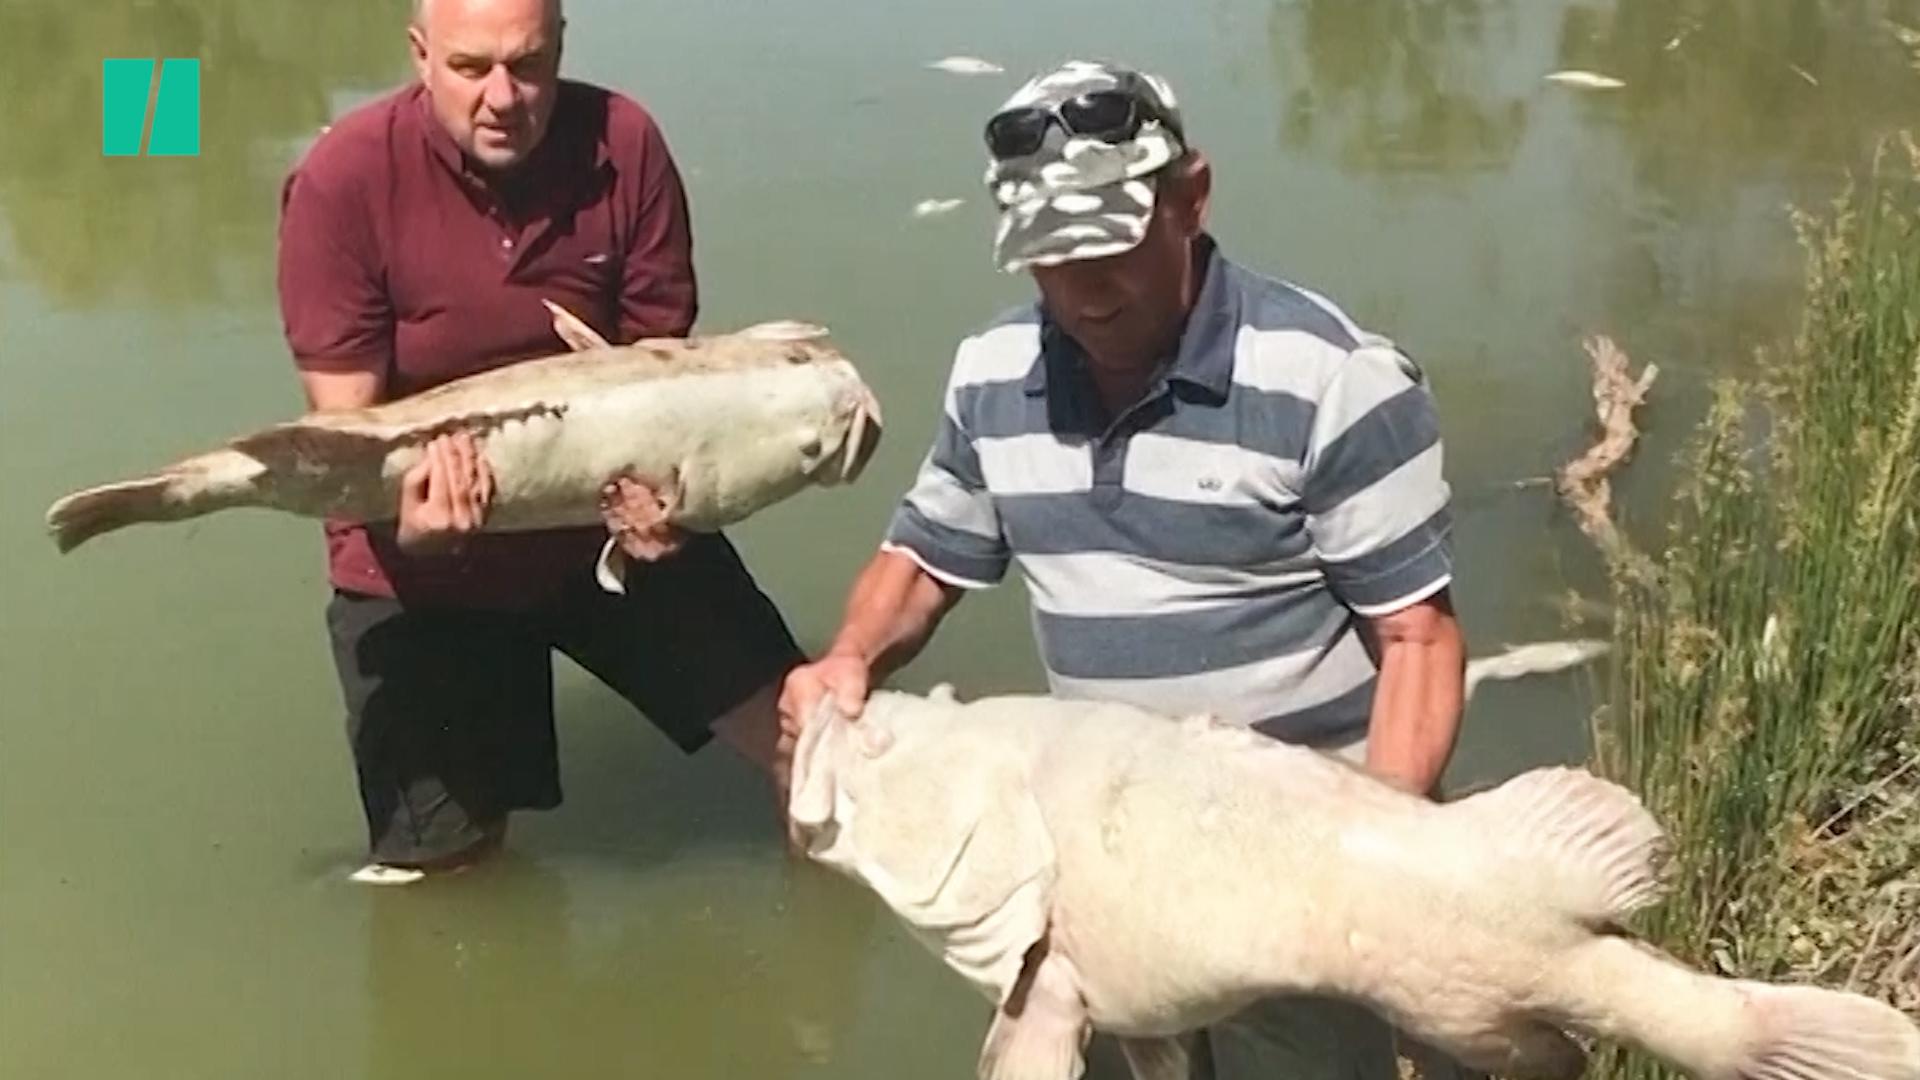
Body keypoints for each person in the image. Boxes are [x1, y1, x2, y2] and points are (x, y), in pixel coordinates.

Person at [777, 60, 1469, 1079]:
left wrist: (1368, 867)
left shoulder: (1333, 380)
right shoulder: (992, 378)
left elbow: (1419, 639)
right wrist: (848, 660)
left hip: (1303, 861)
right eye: (1049, 260)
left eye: (1110, 247)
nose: (1083, 292)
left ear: (1190, 198)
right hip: (1101, 867)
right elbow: (926, 559)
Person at [276, 0, 802, 880]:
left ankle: (824, 989)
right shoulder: (343, 179)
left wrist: (668, 503)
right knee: (446, 881)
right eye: (471, 67)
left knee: (820, 753)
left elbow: (662, 382)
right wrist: (414, 527)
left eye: (527, 65)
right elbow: (350, 448)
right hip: (422, 562)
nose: (503, 96)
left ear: (561, 47)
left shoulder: (624, 144)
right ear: (420, 54)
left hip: (610, 523)